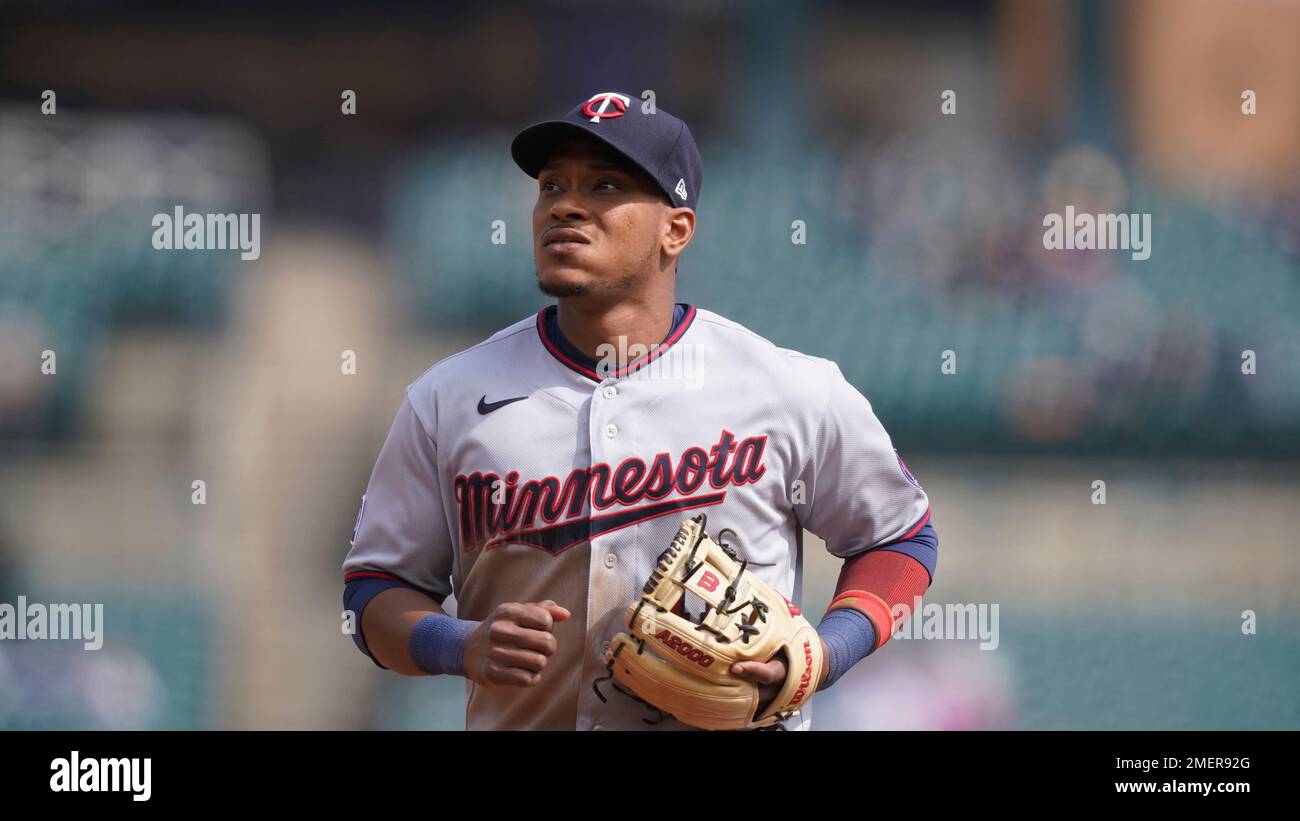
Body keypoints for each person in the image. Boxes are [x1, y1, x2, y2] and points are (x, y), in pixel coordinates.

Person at [342, 90, 938, 730]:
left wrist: (827, 653)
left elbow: (900, 538)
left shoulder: (789, 388)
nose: (564, 207)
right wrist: (459, 644)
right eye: (551, 186)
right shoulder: (448, 398)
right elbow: (373, 594)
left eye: (603, 185)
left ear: (675, 230)